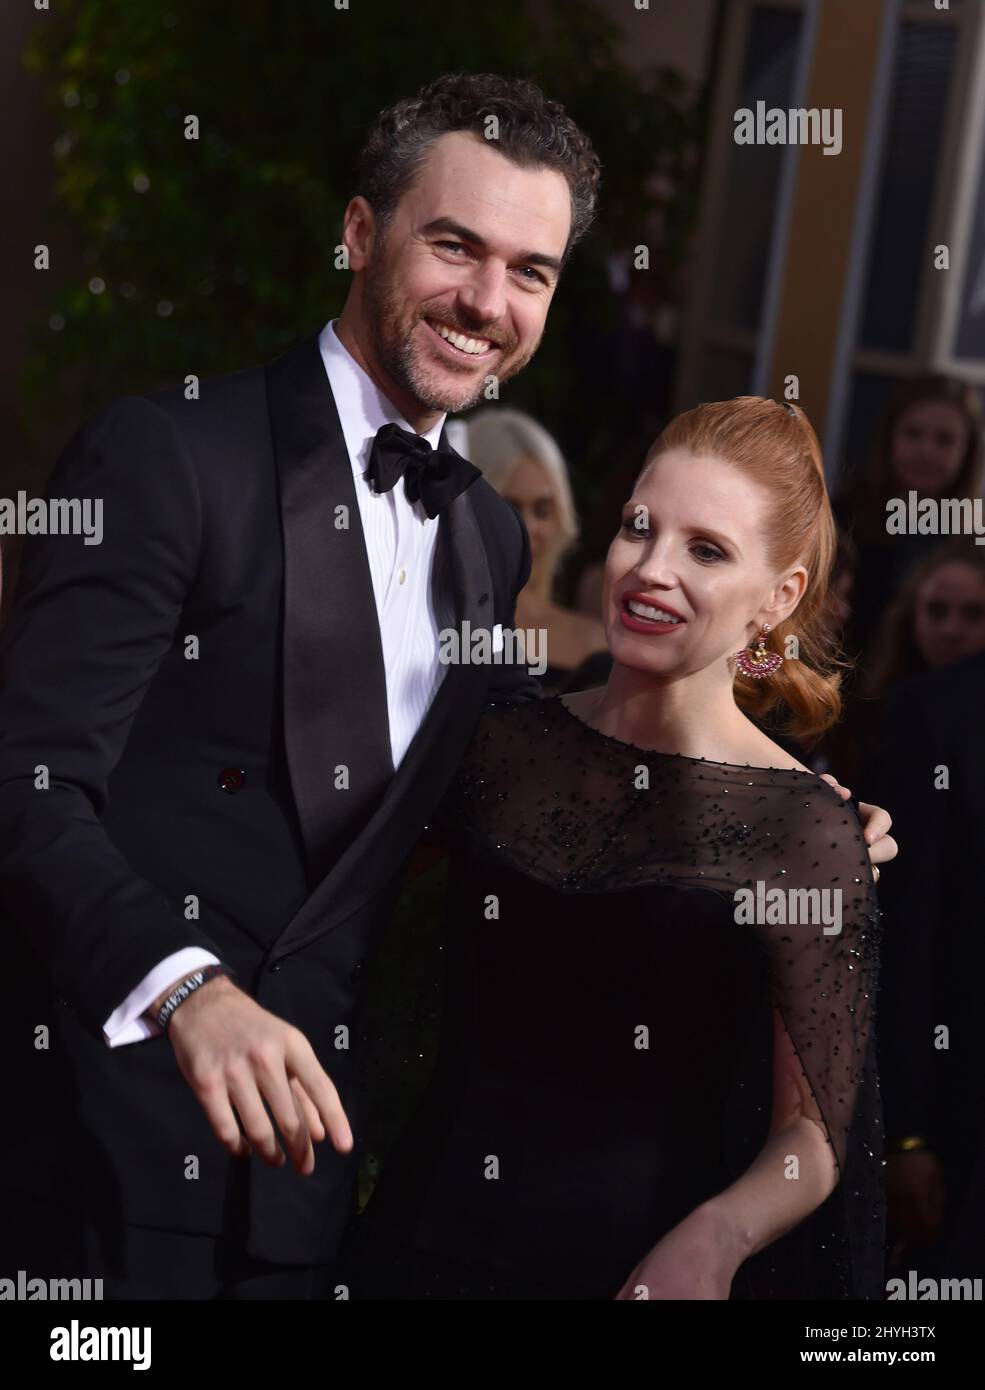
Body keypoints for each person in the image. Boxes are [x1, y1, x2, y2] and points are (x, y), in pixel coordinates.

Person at [0, 74, 894, 1301]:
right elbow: (28, 788)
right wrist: (185, 985)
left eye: (529, 269)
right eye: (455, 246)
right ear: (360, 234)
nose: (487, 301)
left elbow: (488, 795)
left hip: (310, 1203)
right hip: (96, 1168)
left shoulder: (487, 541)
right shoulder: (170, 456)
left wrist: (784, 819)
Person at [340, 398, 887, 1300]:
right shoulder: (495, 743)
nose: (652, 569)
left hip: (637, 1274)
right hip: (411, 1247)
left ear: (777, 599)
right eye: (641, 528)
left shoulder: (803, 826)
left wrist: (718, 1236)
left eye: (705, 550)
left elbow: (815, 1138)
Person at [835, 372, 984, 665]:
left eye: (944, 440)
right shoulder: (842, 517)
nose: (926, 451)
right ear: (890, 438)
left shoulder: (975, 537)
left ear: (967, 452)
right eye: (913, 434)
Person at [464, 407, 605, 693]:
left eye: (542, 510)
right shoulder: (429, 632)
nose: (526, 527)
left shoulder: (602, 642)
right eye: (508, 508)